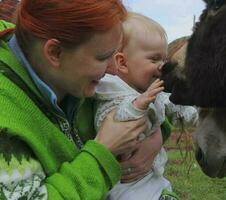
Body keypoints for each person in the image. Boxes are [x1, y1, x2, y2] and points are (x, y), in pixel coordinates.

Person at [0, 1, 162, 199]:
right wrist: (104, 152)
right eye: (103, 57)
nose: (114, 70)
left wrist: (154, 137)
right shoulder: (6, 119)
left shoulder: (70, 76)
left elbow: (131, 88)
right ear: (55, 53)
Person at [93, 12, 198, 200]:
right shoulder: (111, 91)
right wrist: (138, 106)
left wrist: (193, 112)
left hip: (152, 179)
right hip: (126, 189)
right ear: (122, 63)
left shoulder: (146, 90)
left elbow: (169, 103)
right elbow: (109, 121)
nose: (162, 66)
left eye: (163, 59)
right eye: (154, 59)